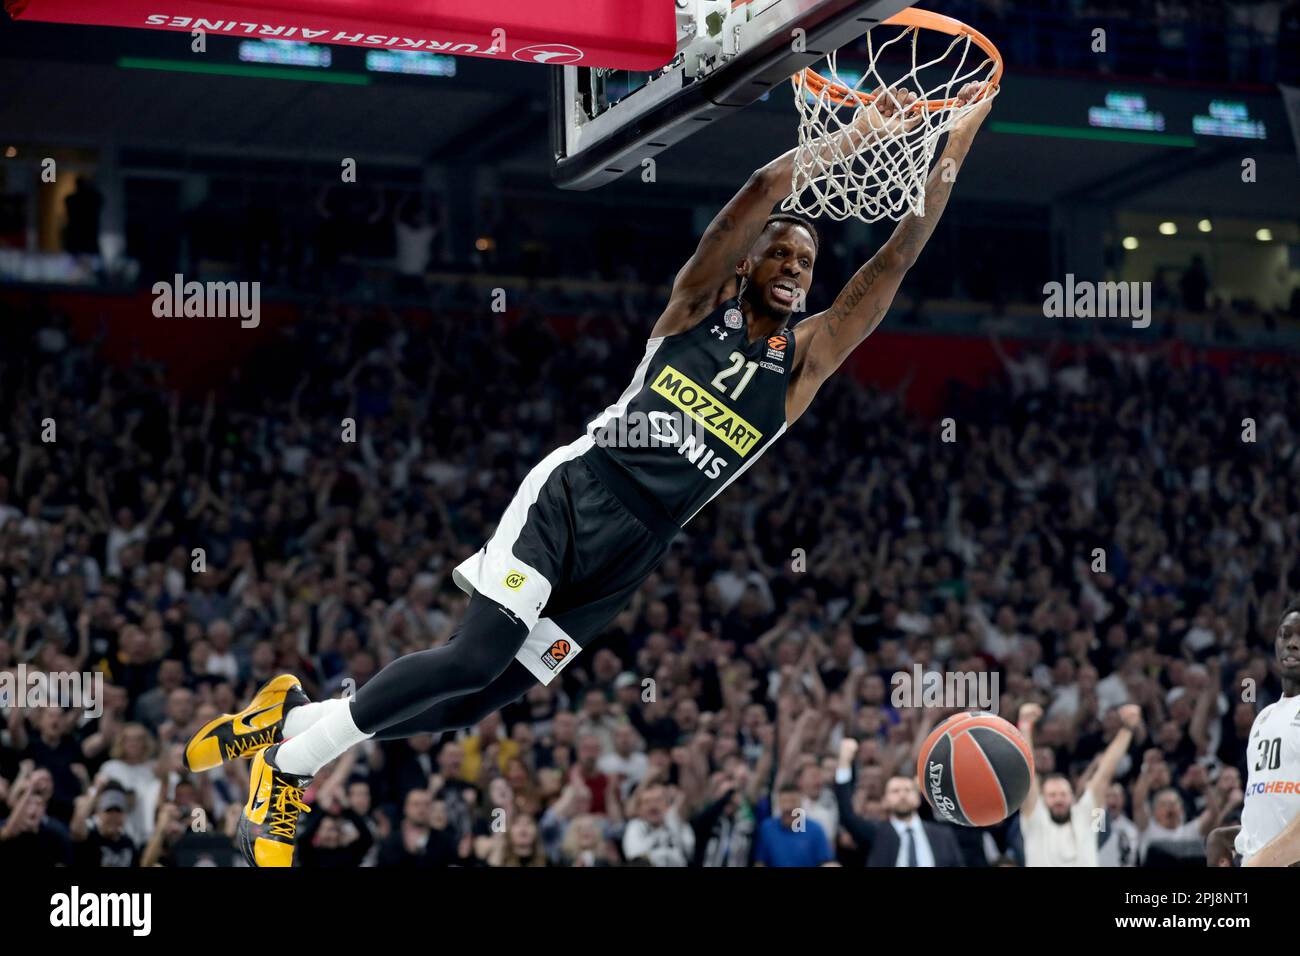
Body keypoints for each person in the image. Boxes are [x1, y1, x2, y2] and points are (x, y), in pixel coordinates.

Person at [186, 82, 999, 866]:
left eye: (807, 259)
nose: (793, 263)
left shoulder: (804, 364)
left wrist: (950, 154)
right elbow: (757, 189)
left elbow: (890, 266)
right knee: (470, 658)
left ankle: (291, 717)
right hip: (577, 495)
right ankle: (292, 767)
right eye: (779, 251)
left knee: (472, 702)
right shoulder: (689, 310)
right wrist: (853, 139)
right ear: (746, 266)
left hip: (636, 550)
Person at [1018, 701, 1142, 867]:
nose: (1058, 800)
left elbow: (1105, 773)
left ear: (1072, 797)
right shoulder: (1035, 819)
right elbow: (1027, 773)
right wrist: (1025, 726)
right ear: (1043, 799)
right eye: (1052, 795)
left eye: (1063, 794)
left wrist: (1127, 730)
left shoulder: (1085, 816)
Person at [834, 738, 962, 867]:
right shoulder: (876, 834)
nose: (902, 795)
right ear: (884, 801)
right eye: (895, 791)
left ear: (918, 798)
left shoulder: (943, 834)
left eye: (908, 790)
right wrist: (844, 762)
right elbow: (847, 815)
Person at [1237, 603, 1300, 866]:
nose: (1292, 644)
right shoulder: (1264, 717)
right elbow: (1268, 812)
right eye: (1285, 634)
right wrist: (1233, 840)